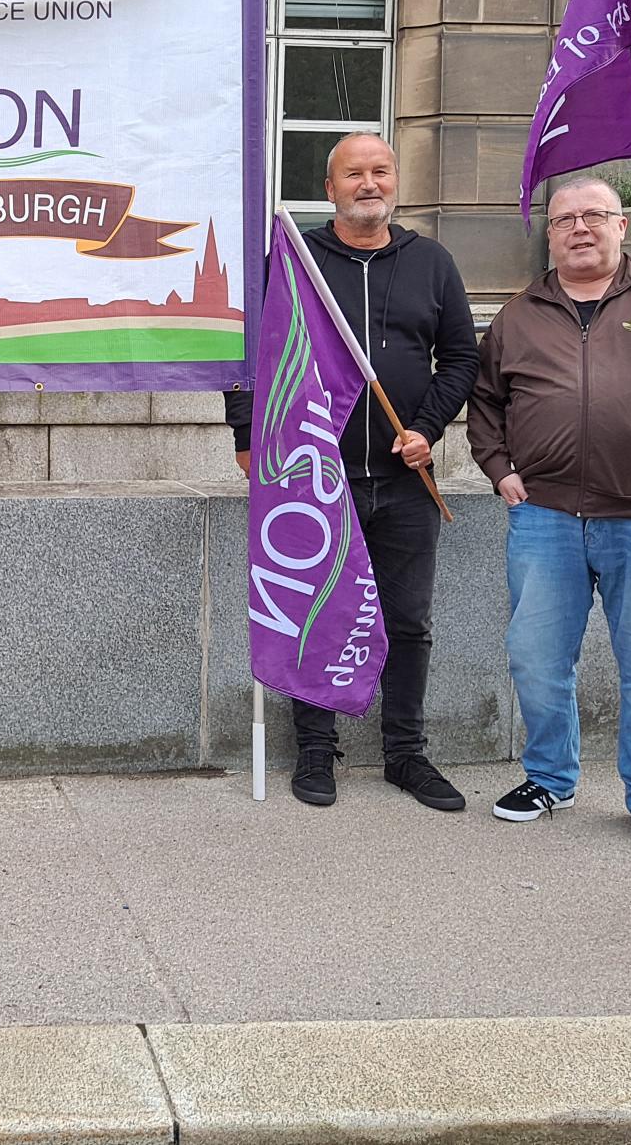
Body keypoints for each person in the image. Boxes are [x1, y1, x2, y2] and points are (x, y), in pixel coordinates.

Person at [225, 133, 480, 810]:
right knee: (317, 608)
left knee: (408, 621)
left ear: (396, 182)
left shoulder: (432, 262)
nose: (369, 183)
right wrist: (250, 433)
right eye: (353, 174)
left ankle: (406, 753)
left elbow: (461, 358)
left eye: (381, 171)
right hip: (315, 476)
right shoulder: (296, 260)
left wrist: (426, 427)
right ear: (330, 188)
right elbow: (251, 345)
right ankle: (316, 749)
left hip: (403, 481)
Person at [466, 178, 631, 851]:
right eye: (564, 220)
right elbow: (486, 401)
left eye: (594, 217)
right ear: (549, 235)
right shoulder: (519, 314)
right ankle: (550, 777)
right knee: (538, 658)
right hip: (546, 516)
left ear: (621, 226)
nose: (579, 228)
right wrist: (499, 469)